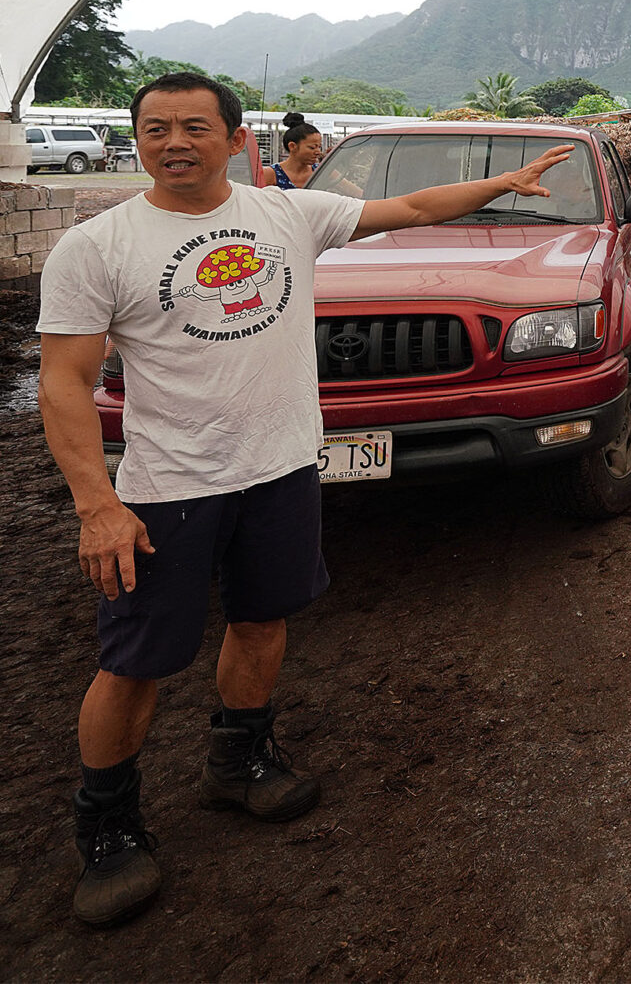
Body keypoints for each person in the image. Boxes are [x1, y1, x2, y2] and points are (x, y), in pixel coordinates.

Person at [35, 69, 571, 927]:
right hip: (168, 486)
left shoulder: (286, 214)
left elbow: (419, 209)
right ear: (137, 137)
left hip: (282, 469)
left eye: (194, 127)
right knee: (135, 660)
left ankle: (239, 760)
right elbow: (62, 383)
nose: (174, 142)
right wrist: (97, 504)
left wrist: (503, 183)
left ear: (235, 139)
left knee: (263, 619)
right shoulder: (97, 247)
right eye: (156, 127)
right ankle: (106, 822)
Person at [273, 112, 321, 189]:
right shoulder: (271, 174)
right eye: (312, 147)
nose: (318, 152)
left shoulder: (321, 171)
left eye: (319, 147)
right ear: (292, 146)